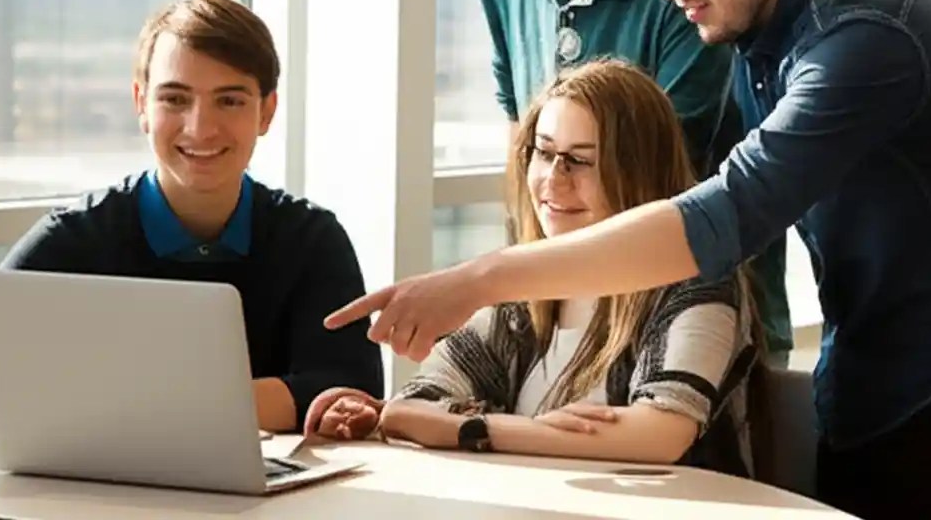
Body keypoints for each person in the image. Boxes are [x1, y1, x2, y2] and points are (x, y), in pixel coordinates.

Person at [326, 0, 931, 518]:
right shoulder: (764, 21)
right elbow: (693, 183)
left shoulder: (864, 40)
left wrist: (482, 279)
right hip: (862, 379)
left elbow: (724, 212)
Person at [0, 0, 383, 443]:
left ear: (267, 111)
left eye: (230, 100)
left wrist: (113, 405)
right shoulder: (75, 238)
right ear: (141, 103)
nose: (200, 127)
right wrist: (236, 403)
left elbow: (350, 390)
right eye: (175, 99)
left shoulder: (311, 238)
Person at [305, 59, 758, 473]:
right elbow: (414, 406)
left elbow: (659, 433)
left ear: (638, 171)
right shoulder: (525, 291)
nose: (553, 179)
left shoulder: (698, 280)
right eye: (543, 153)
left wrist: (476, 430)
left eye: (580, 160)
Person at [472, 0, 791, 358]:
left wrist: (497, 277)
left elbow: (649, 178)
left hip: (695, 322)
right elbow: (519, 136)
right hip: (560, 312)